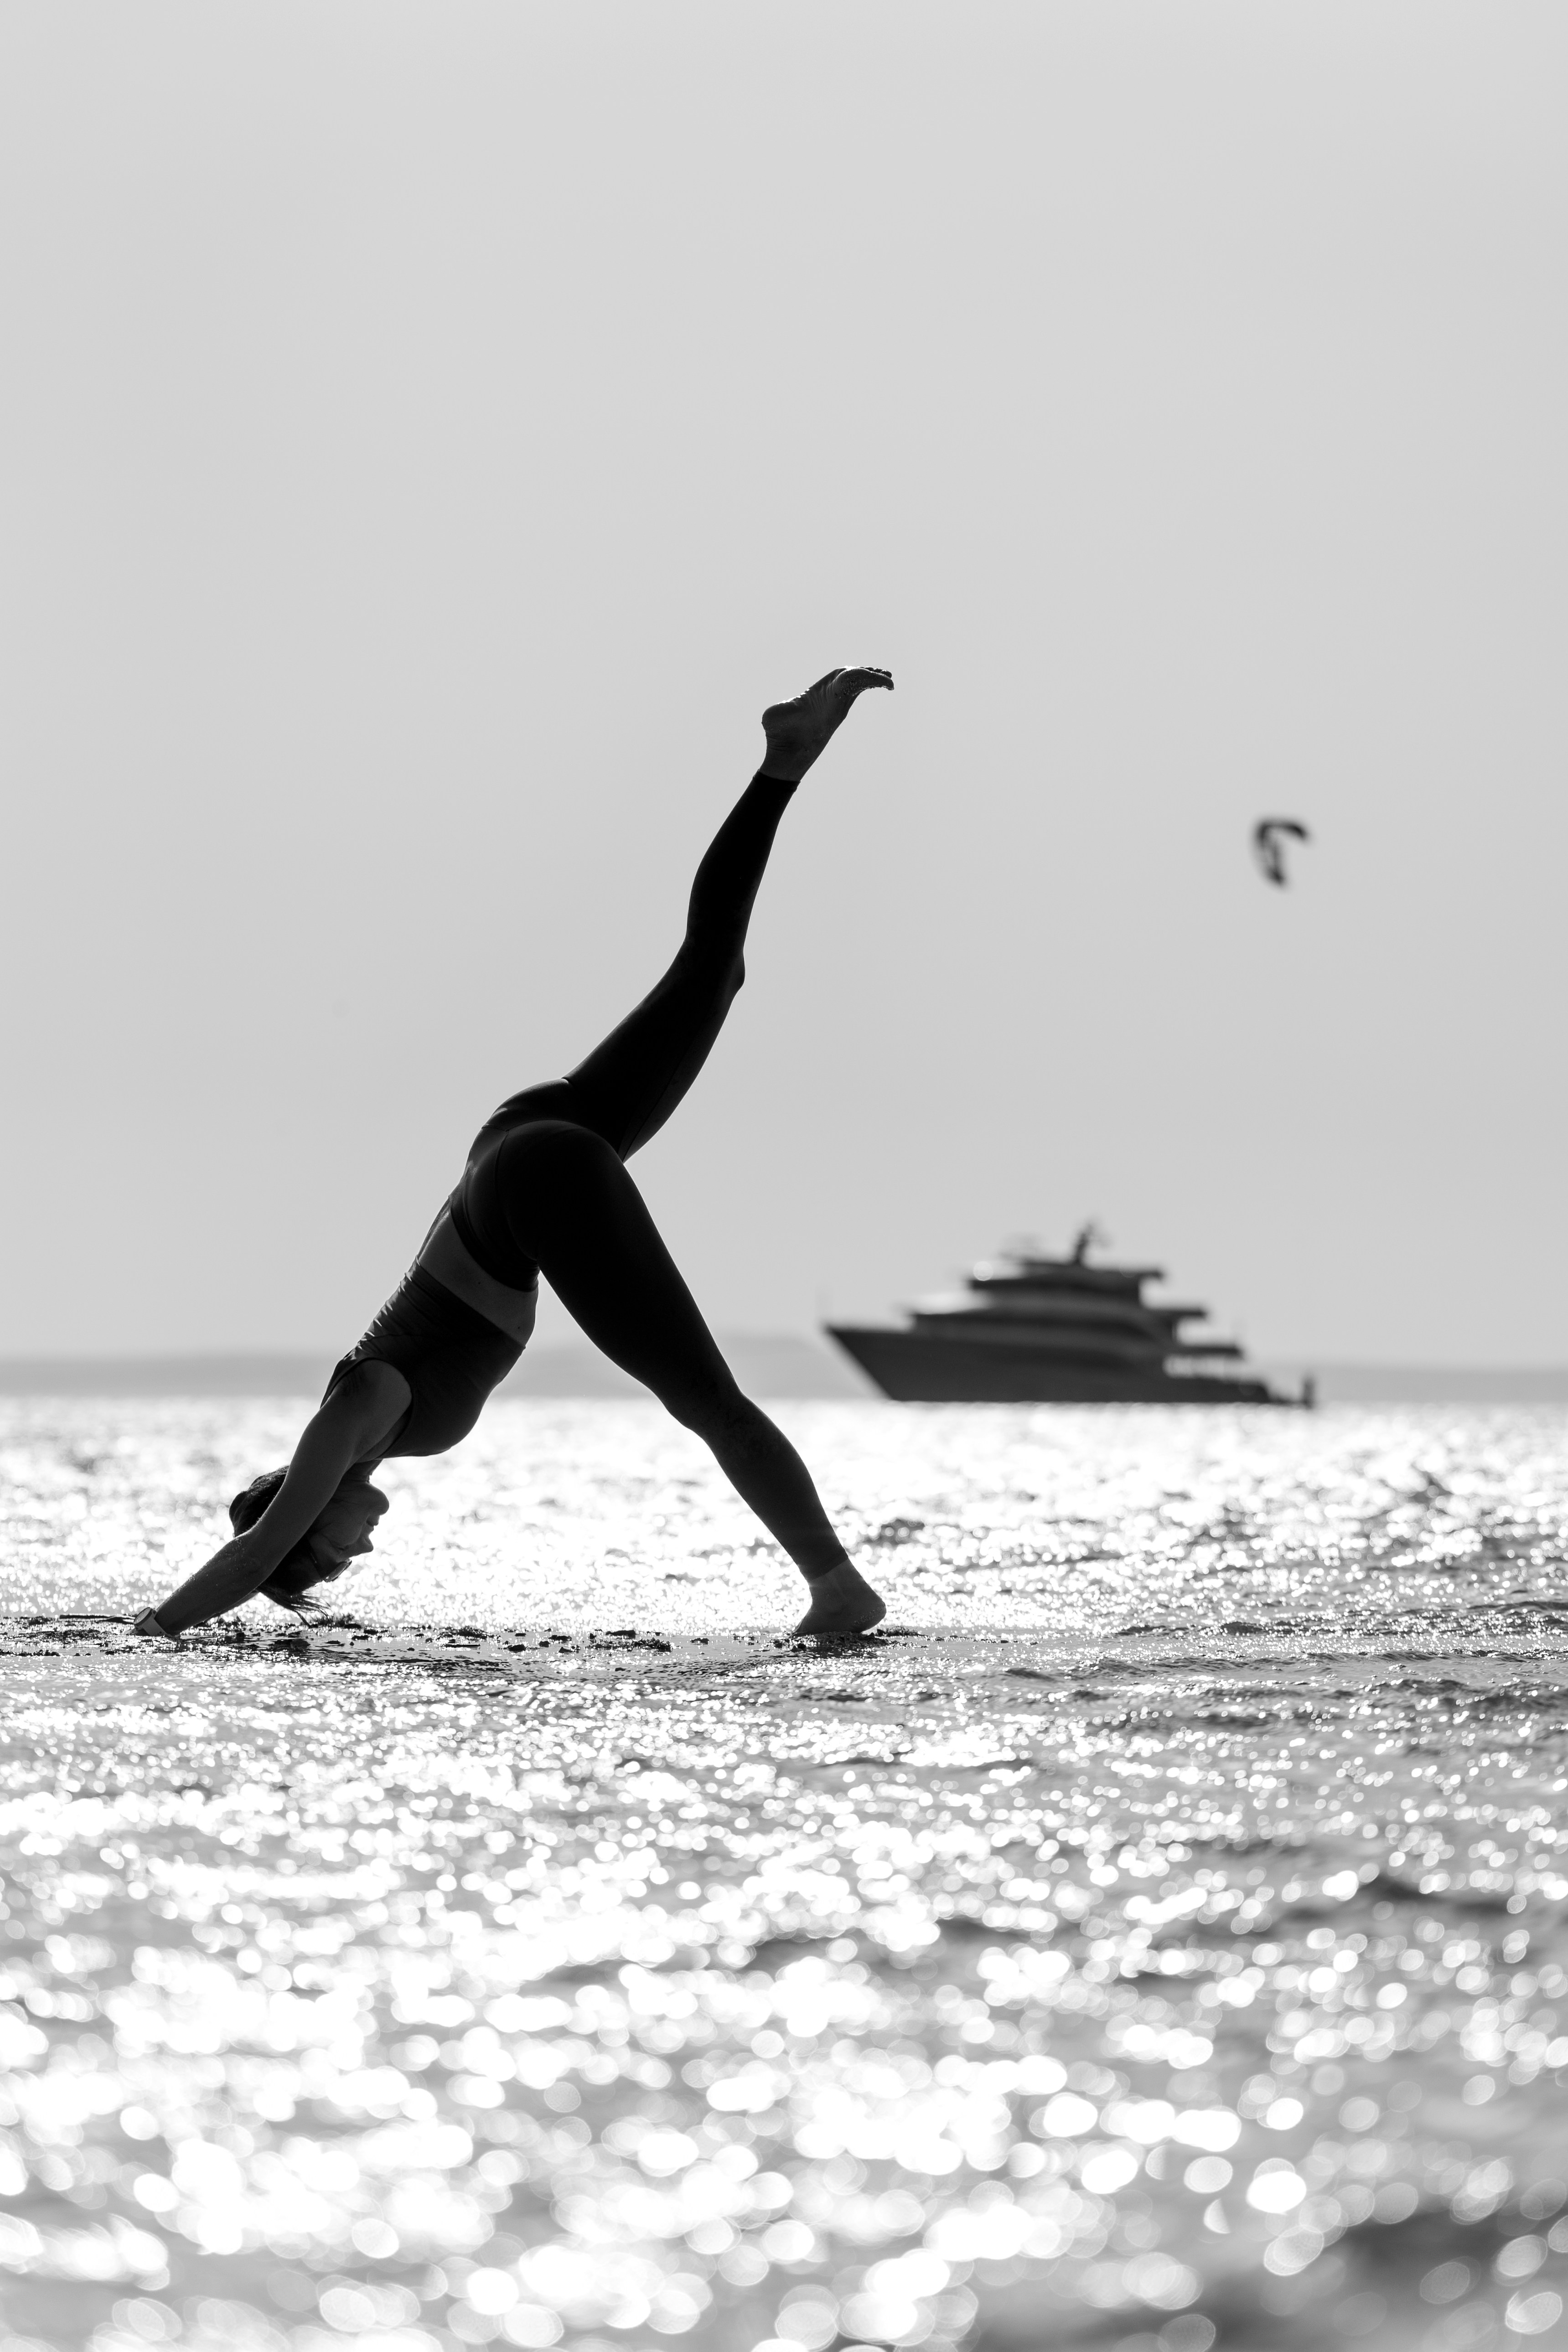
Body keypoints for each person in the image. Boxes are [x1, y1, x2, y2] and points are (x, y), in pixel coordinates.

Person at [130, 667, 893, 1644]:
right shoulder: (368, 1426)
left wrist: (154, 1626)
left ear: (304, 1521)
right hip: (515, 1152)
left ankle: (837, 1587)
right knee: (715, 969)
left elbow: (251, 1555)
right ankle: (784, 761)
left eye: (323, 1556)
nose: (354, 1555)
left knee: (708, 1401)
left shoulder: (349, 1421)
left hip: (535, 1183)